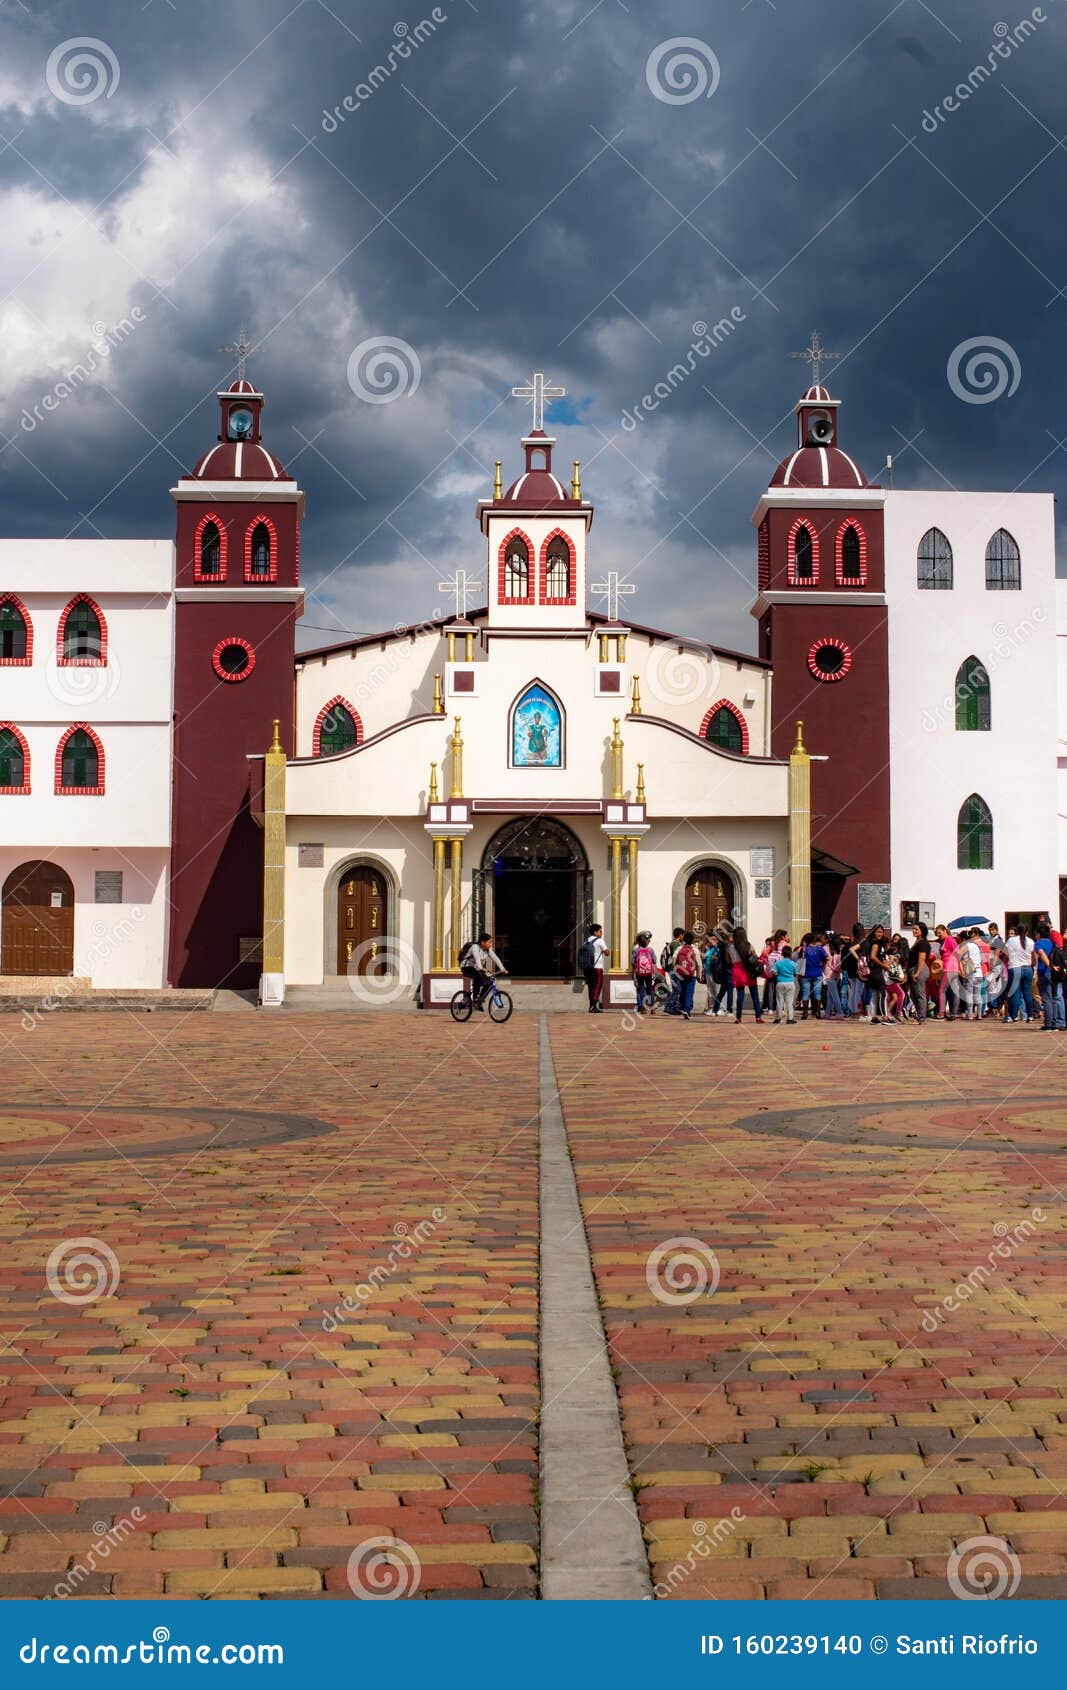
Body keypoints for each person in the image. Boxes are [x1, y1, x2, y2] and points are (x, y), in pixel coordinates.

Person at [461, 931, 504, 1011]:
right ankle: (475, 999)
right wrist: (481, 968)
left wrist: (502, 968)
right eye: (489, 942)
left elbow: (495, 958)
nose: (490, 944)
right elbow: (477, 958)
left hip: (477, 968)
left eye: (491, 942)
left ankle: (479, 1000)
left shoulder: (488, 949)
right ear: (482, 942)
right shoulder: (475, 947)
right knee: (478, 976)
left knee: (489, 982)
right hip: (467, 967)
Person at [729, 926, 764, 1024]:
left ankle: (739, 1017)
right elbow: (755, 956)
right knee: (754, 995)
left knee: (740, 995)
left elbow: (728, 959)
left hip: (737, 969)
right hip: (748, 970)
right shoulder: (748, 945)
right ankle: (758, 1017)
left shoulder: (731, 947)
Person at [1034, 921, 1064, 1031]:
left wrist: (1050, 966)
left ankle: (1048, 1024)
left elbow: (1041, 953)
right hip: (1055, 974)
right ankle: (1055, 1024)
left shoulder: (1038, 944)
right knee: (1054, 998)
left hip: (1045, 972)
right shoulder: (1052, 943)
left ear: (1038, 934)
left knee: (1046, 998)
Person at [1005, 924, 1034, 1023]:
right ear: (1027, 932)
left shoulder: (1011, 940)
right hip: (1028, 968)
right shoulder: (1031, 941)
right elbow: (1033, 956)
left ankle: (1014, 1016)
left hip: (1015, 968)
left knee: (1015, 993)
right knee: (1027, 993)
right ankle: (1030, 1016)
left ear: (1017, 931)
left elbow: (1006, 953)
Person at [862, 925, 890, 1023]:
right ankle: (885, 1017)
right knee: (883, 993)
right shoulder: (875, 943)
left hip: (872, 971)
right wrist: (883, 966)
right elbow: (873, 957)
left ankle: (873, 1017)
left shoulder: (872, 942)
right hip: (876, 971)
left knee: (874, 994)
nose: (879, 934)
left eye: (881, 932)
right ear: (873, 932)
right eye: (877, 932)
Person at [578, 923, 607, 1013]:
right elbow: (607, 952)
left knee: (591, 987)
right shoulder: (600, 941)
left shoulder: (586, 941)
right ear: (595, 932)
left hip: (588, 968)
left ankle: (591, 1005)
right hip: (597, 967)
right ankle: (593, 1006)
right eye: (600, 931)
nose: (601, 933)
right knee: (597, 986)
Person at [673, 930, 702, 1020]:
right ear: (692, 940)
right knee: (689, 992)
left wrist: (676, 969)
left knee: (682, 991)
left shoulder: (679, 948)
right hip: (691, 974)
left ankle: (682, 1007)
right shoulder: (695, 950)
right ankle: (687, 1010)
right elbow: (699, 964)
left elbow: (674, 958)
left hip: (681, 973)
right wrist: (699, 975)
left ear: (684, 939)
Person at [906, 922, 932, 1025]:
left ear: (922, 931)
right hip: (913, 969)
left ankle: (922, 1018)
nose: (914, 931)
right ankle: (919, 1016)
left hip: (919, 969)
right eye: (913, 929)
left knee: (920, 994)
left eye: (916, 929)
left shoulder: (922, 943)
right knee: (913, 995)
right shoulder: (918, 942)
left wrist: (917, 972)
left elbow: (922, 958)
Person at [631, 930, 660, 1016]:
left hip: (639, 972)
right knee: (650, 989)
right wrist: (655, 972)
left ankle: (644, 1007)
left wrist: (634, 973)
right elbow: (654, 961)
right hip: (648, 972)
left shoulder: (636, 950)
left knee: (642, 989)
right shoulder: (650, 950)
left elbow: (633, 962)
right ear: (647, 941)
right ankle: (653, 1008)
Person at [800, 931, 828, 1019]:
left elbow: (800, 958)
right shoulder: (820, 949)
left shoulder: (804, 949)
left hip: (806, 973)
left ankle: (805, 1013)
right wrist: (821, 962)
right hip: (817, 972)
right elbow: (827, 958)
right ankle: (818, 1012)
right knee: (817, 993)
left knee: (805, 993)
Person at [661, 927, 684, 1016]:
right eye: (683, 935)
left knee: (676, 989)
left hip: (672, 970)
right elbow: (676, 957)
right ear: (680, 935)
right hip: (674, 970)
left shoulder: (672, 943)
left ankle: (674, 1008)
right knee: (676, 989)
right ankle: (668, 1008)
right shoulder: (676, 944)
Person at [773, 943, 798, 1024]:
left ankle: (778, 1018)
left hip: (780, 982)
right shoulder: (793, 963)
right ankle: (790, 1018)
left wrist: (777, 975)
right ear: (790, 953)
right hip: (790, 983)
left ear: (782, 954)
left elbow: (773, 971)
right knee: (789, 1002)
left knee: (779, 1001)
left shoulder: (778, 963)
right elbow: (795, 973)